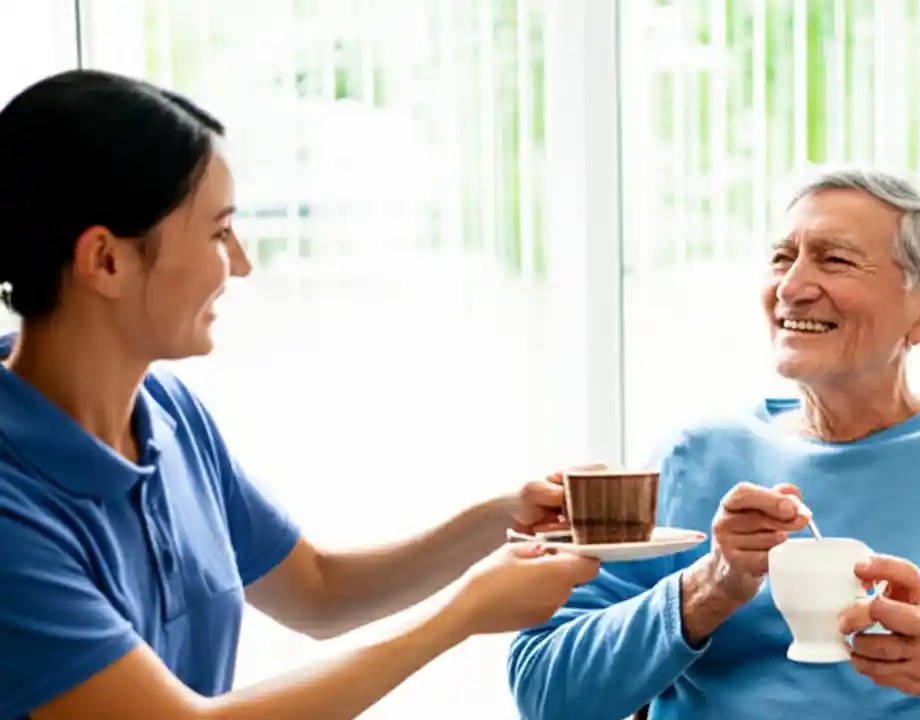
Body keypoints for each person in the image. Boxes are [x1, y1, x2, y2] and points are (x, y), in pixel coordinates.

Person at [0, 69, 599, 720]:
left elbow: (316, 591)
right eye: (218, 233)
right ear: (106, 260)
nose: (244, 263)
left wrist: (496, 521)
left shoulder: (170, 413)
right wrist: (462, 616)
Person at [507, 167, 920, 719]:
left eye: (835, 259)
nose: (791, 287)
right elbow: (546, 687)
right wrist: (711, 586)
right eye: (782, 257)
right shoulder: (694, 455)